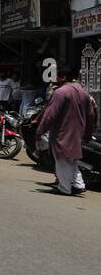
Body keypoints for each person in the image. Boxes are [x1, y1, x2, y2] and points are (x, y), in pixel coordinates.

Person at [36, 66, 97, 196]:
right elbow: (91, 115)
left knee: (62, 160)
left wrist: (40, 130)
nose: (55, 79)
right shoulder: (84, 93)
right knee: (72, 159)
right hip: (78, 132)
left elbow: (50, 114)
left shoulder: (60, 92)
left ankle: (64, 188)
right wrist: (88, 132)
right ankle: (78, 185)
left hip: (62, 132)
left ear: (63, 77)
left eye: (57, 76)